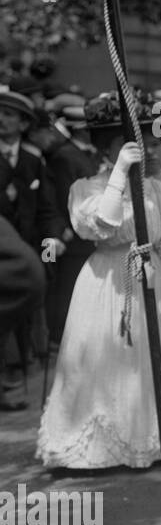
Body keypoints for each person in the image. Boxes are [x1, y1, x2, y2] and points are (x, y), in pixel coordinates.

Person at [37, 136, 161, 469]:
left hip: (151, 276)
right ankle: (101, 446)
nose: (141, 150)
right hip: (108, 280)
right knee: (109, 355)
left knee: (148, 358)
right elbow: (104, 223)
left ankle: (153, 439)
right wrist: (119, 170)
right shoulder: (85, 188)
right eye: (123, 144)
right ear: (105, 149)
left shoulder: (155, 189)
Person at [0, 87, 65, 411]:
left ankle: (22, 373)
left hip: (31, 252)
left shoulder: (33, 159)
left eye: (10, 116)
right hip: (3, 257)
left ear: (24, 124)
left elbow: (47, 211)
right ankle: (8, 384)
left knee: (31, 318)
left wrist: (50, 247)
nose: (2, 121)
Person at [25, 93, 103, 347]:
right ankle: (56, 337)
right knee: (62, 285)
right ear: (81, 130)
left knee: (71, 286)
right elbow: (61, 198)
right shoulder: (65, 157)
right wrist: (65, 230)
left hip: (76, 237)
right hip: (62, 237)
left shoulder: (85, 155)